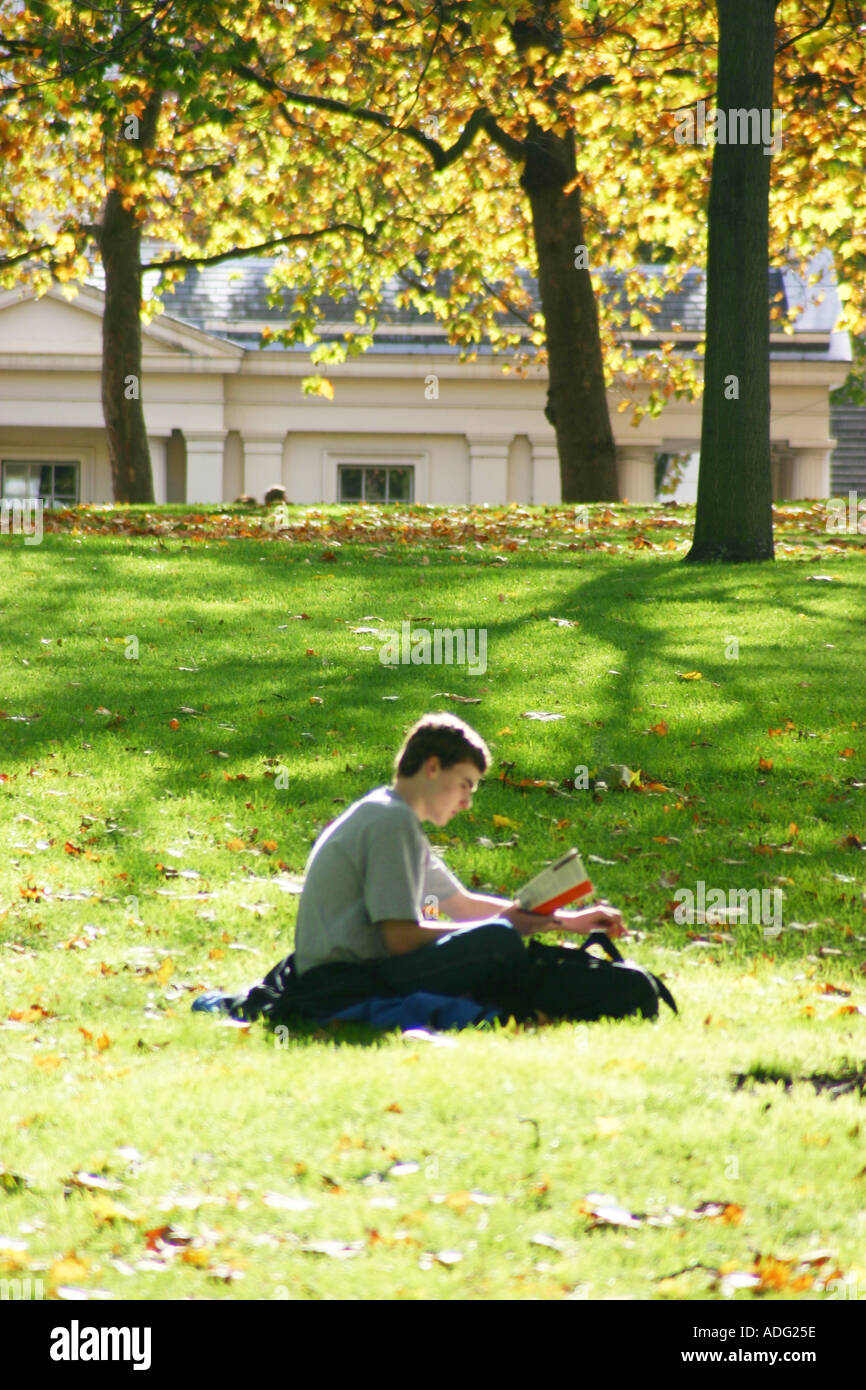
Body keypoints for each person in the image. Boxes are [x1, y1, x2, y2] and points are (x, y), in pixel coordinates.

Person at [194, 711, 627, 1026]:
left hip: (344, 971)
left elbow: (460, 903)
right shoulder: (391, 821)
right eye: (465, 785)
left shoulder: (390, 814)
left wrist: (564, 921)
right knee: (497, 941)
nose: (466, 801)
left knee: (497, 935)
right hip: (346, 981)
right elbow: (400, 939)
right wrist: (507, 930)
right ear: (433, 767)